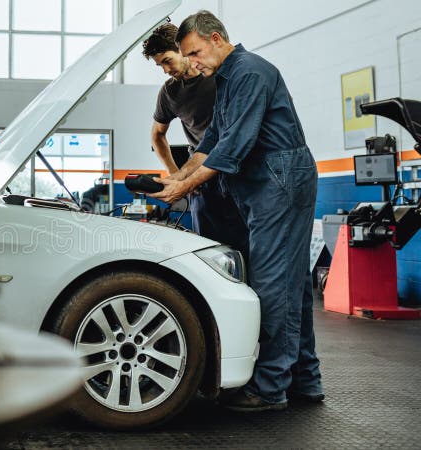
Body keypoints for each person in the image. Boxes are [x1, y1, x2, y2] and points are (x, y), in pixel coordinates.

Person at [154, 11, 323, 411]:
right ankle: (305, 380)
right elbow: (211, 141)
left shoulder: (249, 73)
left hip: (279, 178)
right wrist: (178, 178)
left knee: (270, 283)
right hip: (266, 182)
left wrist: (186, 184)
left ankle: (269, 388)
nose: (191, 62)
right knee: (292, 285)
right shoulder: (225, 80)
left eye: (194, 52)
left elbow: (235, 146)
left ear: (216, 39)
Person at [142, 23, 247, 255]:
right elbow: (157, 134)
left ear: (182, 49)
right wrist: (174, 172)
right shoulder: (170, 92)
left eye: (167, 61)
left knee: (245, 247)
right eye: (160, 65)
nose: (166, 70)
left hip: (234, 172)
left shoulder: (219, 76)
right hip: (201, 181)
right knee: (208, 250)